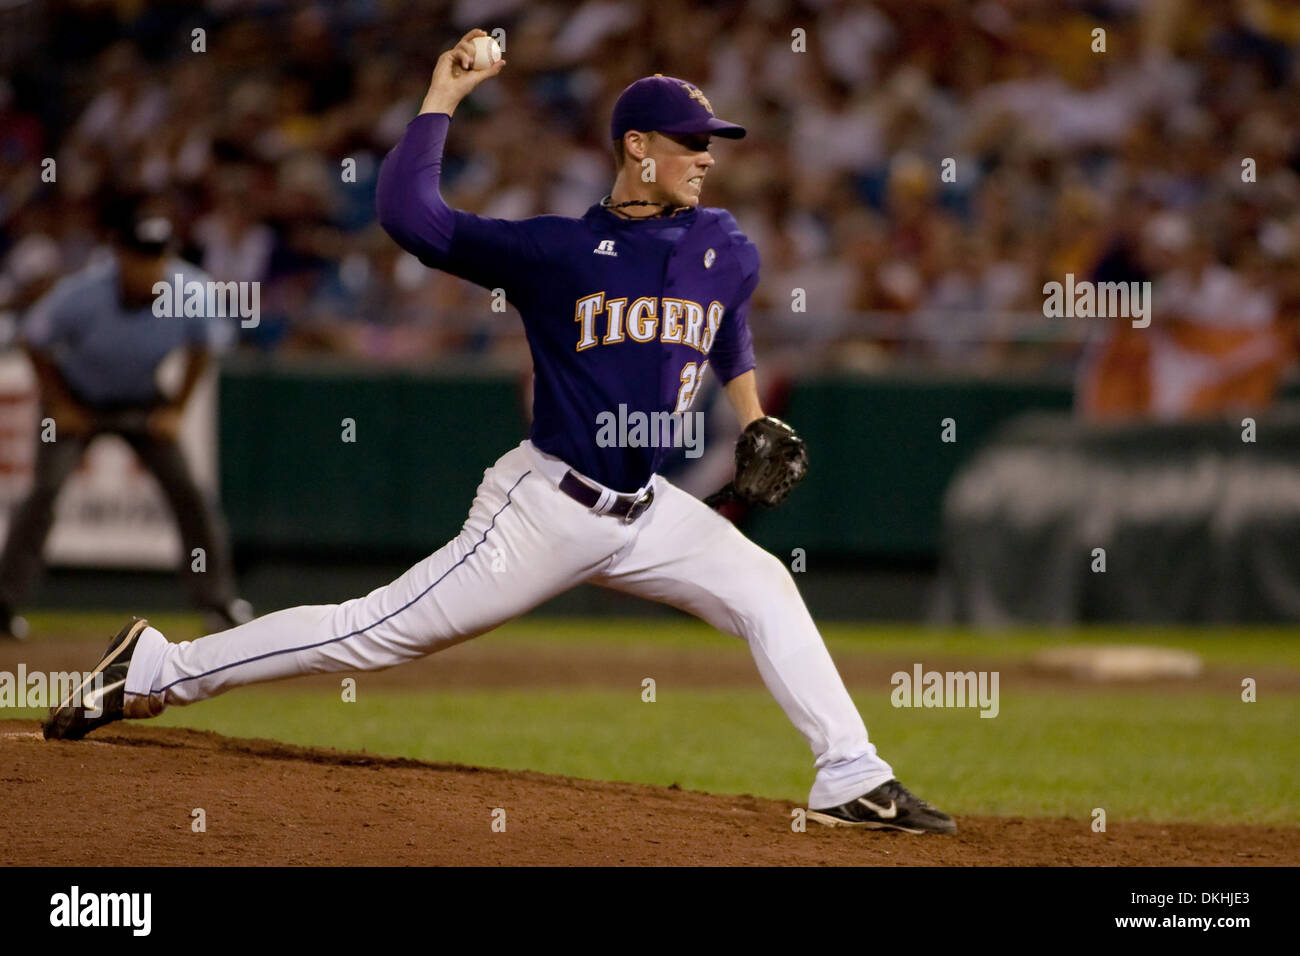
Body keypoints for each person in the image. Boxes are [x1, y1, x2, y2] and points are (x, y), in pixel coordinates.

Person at [45, 31, 955, 835]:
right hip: (545, 508)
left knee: (763, 585)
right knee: (374, 634)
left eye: (711, 144)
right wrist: (444, 94)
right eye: (690, 144)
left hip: (650, 512)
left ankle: (851, 776)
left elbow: (729, 319)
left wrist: (753, 414)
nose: (707, 158)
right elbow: (411, 217)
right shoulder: (554, 251)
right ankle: (161, 666)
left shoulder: (723, 241)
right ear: (636, 150)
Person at [0, 193, 253, 640]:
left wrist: (176, 408)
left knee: (189, 493)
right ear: (120, 256)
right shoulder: (83, 291)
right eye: (141, 257)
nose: (150, 267)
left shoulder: (188, 289)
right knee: (44, 492)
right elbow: (33, 339)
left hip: (142, 400)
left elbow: (204, 347)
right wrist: (59, 404)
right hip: (80, 397)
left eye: (157, 257)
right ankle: (4, 604)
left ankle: (219, 603)